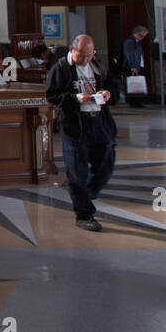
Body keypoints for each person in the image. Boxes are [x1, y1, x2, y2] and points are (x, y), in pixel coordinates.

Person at [45, 34, 121, 232]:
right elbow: (52, 96)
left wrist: (108, 93)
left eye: (89, 55)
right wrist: (74, 98)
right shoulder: (60, 68)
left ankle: (88, 192)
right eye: (82, 56)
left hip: (99, 122)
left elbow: (112, 84)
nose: (86, 60)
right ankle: (84, 214)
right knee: (76, 171)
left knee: (106, 159)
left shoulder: (97, 65)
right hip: (76, 126)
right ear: (72, 50)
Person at [122, 26, 149, 108]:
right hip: (132, 66)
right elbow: (129, 55)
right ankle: (133, 102)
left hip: (137, 65)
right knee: (133, 84)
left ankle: (137, 101)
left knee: (137, 84)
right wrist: (132, 66)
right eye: (141, 36)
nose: (142, 38)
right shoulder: (129, 42)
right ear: (136, 34)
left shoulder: (137, 42)